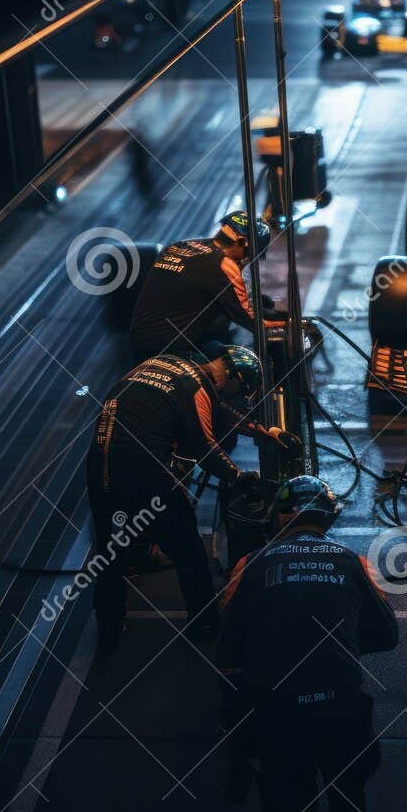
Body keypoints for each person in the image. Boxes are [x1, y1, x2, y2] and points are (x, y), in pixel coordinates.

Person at [216, 476, 398, 812]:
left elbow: (228, 651)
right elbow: (387, 635)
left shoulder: (249, 564)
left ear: (278, 517)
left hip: (278, 712)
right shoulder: (353, 562)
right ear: (328, 518)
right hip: (341, 710)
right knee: (348, 805)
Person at [85, 346, 268, 653]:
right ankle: (204, 625)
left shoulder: (166, 364)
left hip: (98, 460)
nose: (235, 396)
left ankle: (109, 628)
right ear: (234, 378)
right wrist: (238, 478)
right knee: (189, 550)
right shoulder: (195, 388)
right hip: (142, 471)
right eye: (240, 390)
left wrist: (262, 432)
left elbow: (215, 409)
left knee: (109, 550)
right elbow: (205, 448)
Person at [129, 211, 291, 359]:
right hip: (170, 351)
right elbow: (253, 322)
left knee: (220, 329)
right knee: (239, 366)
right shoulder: (224, 265)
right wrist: (292, 323)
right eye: (248, 258)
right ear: (242, 242)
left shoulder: (179, 245)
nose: (244, 264)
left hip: (138, 342)